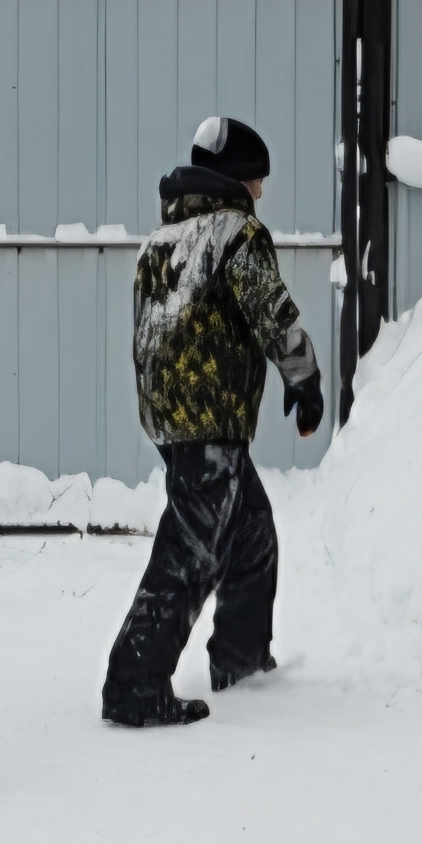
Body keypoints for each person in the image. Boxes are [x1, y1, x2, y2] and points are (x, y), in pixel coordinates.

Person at [102, 115, 324, 728]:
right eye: (257, 182)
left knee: (251, 533)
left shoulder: (165, 240)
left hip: (176, 421)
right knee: (191, 552)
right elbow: (269, 311)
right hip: (210, 424)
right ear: (239, 181)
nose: (260, 194)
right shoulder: (236, 234)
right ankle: (134, 681)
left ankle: (242, 663)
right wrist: (304, 379)